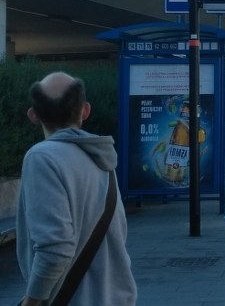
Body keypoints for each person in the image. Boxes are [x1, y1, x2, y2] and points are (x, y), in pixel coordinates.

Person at [17, 71, 137, 305]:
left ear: (33, 115)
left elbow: (55, 248)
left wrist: (32, 301)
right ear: (85, 110)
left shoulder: (41, 158)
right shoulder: (100, 156)